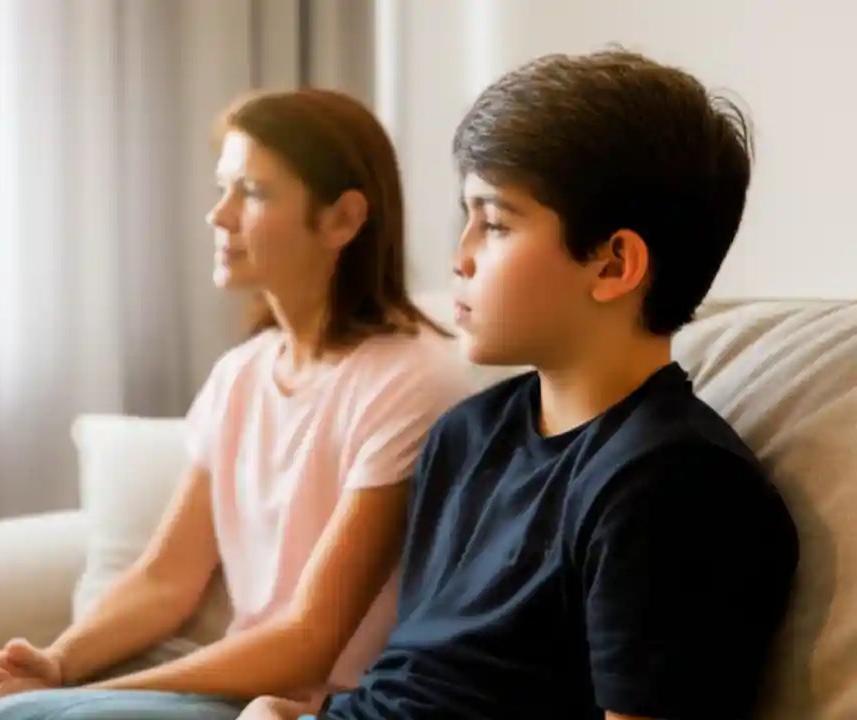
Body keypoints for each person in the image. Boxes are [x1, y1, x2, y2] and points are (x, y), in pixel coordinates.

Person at [243, 50, 799, 720]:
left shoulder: (677, 485)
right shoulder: (466, 434)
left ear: (615, 262)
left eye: (496, 223)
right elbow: (420, 684)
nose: (460, 256)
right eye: (465, 217)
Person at [0, 88, 475, 720]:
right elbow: (166, 579)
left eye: (254, 192)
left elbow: (309, 642)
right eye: (224, 188)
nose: (219, 217)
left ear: (342, 220)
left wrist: (68, 697)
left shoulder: (412, 382)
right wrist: (56, 662)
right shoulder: (241, 374)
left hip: (321, 706)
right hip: (230, 693)